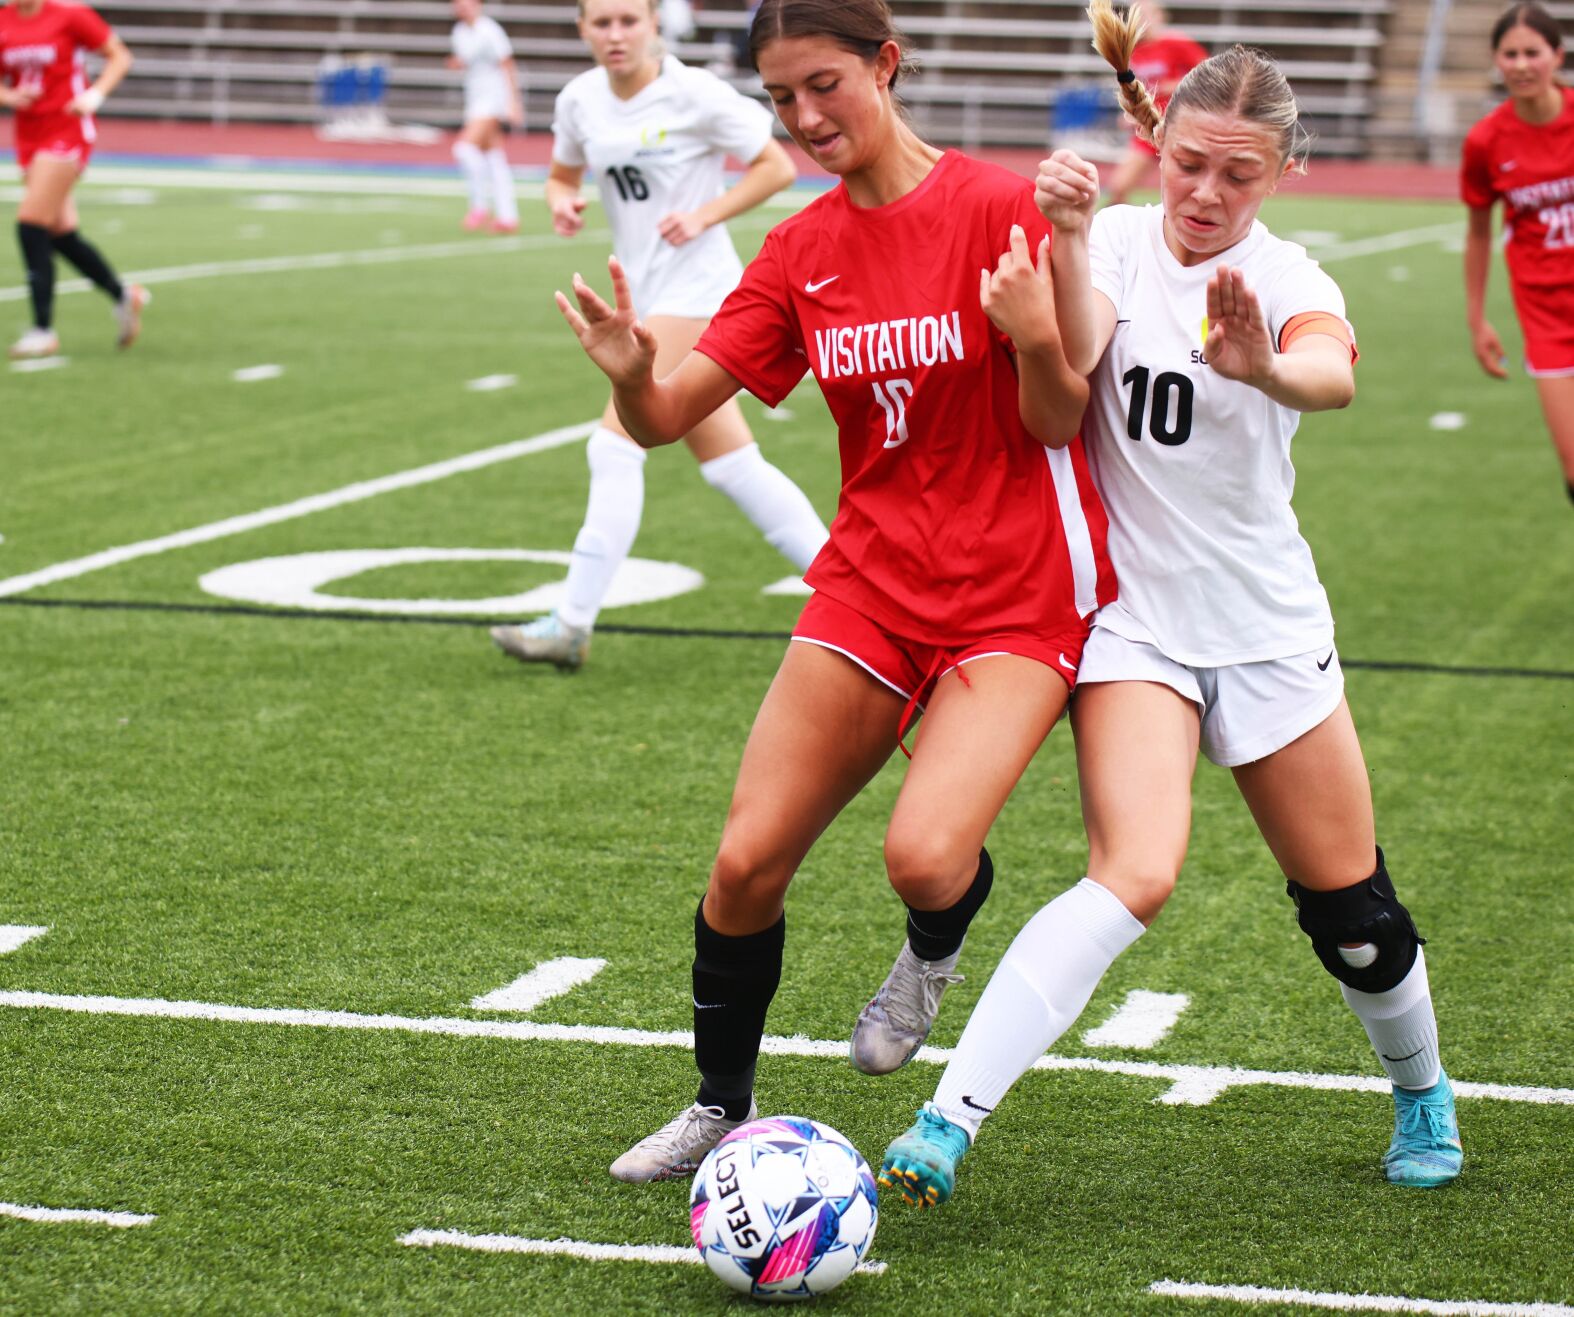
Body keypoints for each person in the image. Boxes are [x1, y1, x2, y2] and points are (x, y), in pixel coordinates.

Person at [879, 3, 1462, 1209]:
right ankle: (946, 1121)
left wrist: (1264, 366)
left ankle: (1419, 1088)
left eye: (1237, 175)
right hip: (1131, 625)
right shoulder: (1113, 241)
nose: (1205, 193)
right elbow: (1075, 361)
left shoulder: (1285, 275)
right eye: (1188, 163)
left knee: (1351, 914)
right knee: (1131, 872)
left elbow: (1330, 372)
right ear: (1158, 145)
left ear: (1280, 173)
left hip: (1263, 624)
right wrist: (1070, 234)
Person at [555, 0, 1112, 1182]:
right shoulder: (799, 250)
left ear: (885, 66)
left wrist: (1028, 336)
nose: (804, 118)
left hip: (1014, 594)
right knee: (744, 863)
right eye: (779, 98)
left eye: (823, 86)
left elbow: (1061, 417)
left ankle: (933, 942)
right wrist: (633, 376)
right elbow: (667, 417)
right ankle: (718, 1105)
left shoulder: (997, 207)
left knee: (923, 858)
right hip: (868, 583)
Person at [490, 0, 830, 670]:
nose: (616, 35)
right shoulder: (580, 100)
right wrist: (562, 203)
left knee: (613, 446)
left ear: (653, 24)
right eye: (602, 23)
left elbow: (776, 167)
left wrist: (705, 215)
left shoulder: (694, 93)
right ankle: (860, 595)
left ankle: (571, 623)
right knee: (734, 467)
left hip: (700, 293)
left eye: (629, 20)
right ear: (583, 29)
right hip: (647, 297)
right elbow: (561, 175)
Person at [1461, 2, 1574, 504]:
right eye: (1511, 54)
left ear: (1558, 55)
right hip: (1547, 318)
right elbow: (1479, 234)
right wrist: (1477, 320)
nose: (1522, 65)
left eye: (1533, 52)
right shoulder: (1486, 141)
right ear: (1496, 60)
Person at [0, 0, 146, 360]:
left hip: (67, 127)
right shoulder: (4, 20)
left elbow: (120, 56)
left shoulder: (69, 14)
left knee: (31, 223)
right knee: (60, 233)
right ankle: (123, 295)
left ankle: (42, 330)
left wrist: (94, 95)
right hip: (29, 134)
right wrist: (10, 96)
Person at [1105, 0, 1206, 205]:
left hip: (1179, 126)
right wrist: (1130, 112)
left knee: (1183, 191)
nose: (1140, 21)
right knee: (1118, 187)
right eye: (1135, 16)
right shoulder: (1133, 50)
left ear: (1159, 17)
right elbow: (1136, 88)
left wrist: (1176, 85)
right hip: (1149, 126)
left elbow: (1209, 74)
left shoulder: (1176, 43)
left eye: (1145, 15)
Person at [448, 0, 522, 233]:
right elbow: (467, 62)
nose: (461, 8)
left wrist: (513, 102)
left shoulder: (490, 30)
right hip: (474, 98)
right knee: (493, 156)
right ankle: (508, 216)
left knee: (464, 149)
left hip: (493, 100)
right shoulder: (459, 32)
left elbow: (507, 65)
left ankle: (480, 205)